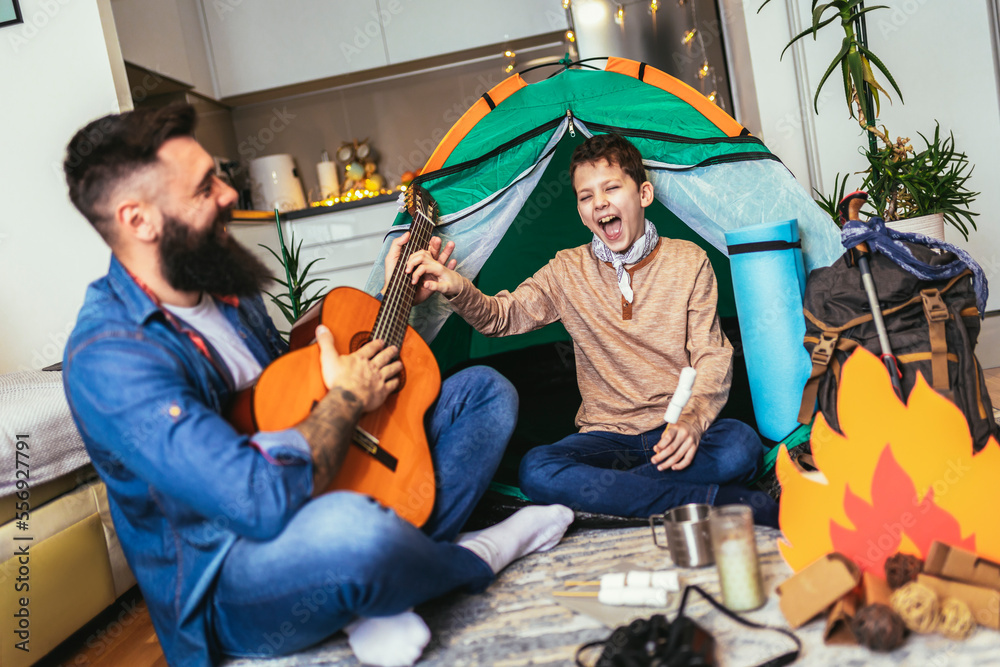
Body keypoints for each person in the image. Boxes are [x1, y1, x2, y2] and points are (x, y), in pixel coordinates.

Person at [61, 103, 574, 667]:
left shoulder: (224, 287)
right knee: (353, 533)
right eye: (205, 187)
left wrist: (395, 306)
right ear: (139, 220)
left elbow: (293, 388)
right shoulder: (110, 358)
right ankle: (476, 554)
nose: (231, 195)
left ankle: (385, 581)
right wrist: (349, 398)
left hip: (309, 481)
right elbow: (252, 499)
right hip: (229, 573)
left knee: (484, 391)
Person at [405, 133, 778, 526]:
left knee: (740, 446)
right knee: (537, 468)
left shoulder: (689, 261)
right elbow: (502, 317)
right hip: (605, 438)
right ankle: (709, 500)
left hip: (673, 428)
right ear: (582, 212)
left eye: (612, 188)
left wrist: (693, 420)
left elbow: (711, 355)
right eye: (586, 196)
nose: (599, 202)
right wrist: (456, 286)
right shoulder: (566, 270)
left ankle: (613, 494)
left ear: (644, 194)